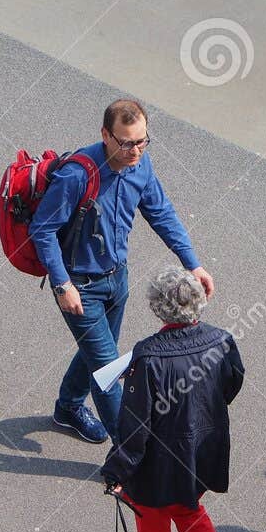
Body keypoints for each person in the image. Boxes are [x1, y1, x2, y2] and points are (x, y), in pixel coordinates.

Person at [29, 98, 215, 445]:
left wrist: (194, 263)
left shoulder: (140, 166)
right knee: (107, 370)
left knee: (100, 353)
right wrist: (61, 283)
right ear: (105, 135)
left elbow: (160, 212)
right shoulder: (76, 176)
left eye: (142, 141)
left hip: (118, 279)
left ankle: (68, 408)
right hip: (80, 287)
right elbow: (42, 229)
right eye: (127, 142)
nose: (135, 151)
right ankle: (130, 456)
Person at [99, 269, 244, 532]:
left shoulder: (147, 356)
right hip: (200, 450)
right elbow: (233, 380)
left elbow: (136, 426)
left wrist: (116, 470)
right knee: (191, 513)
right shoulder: (221, 340)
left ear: (158, 309)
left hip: (159, 460)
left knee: (153, 525)